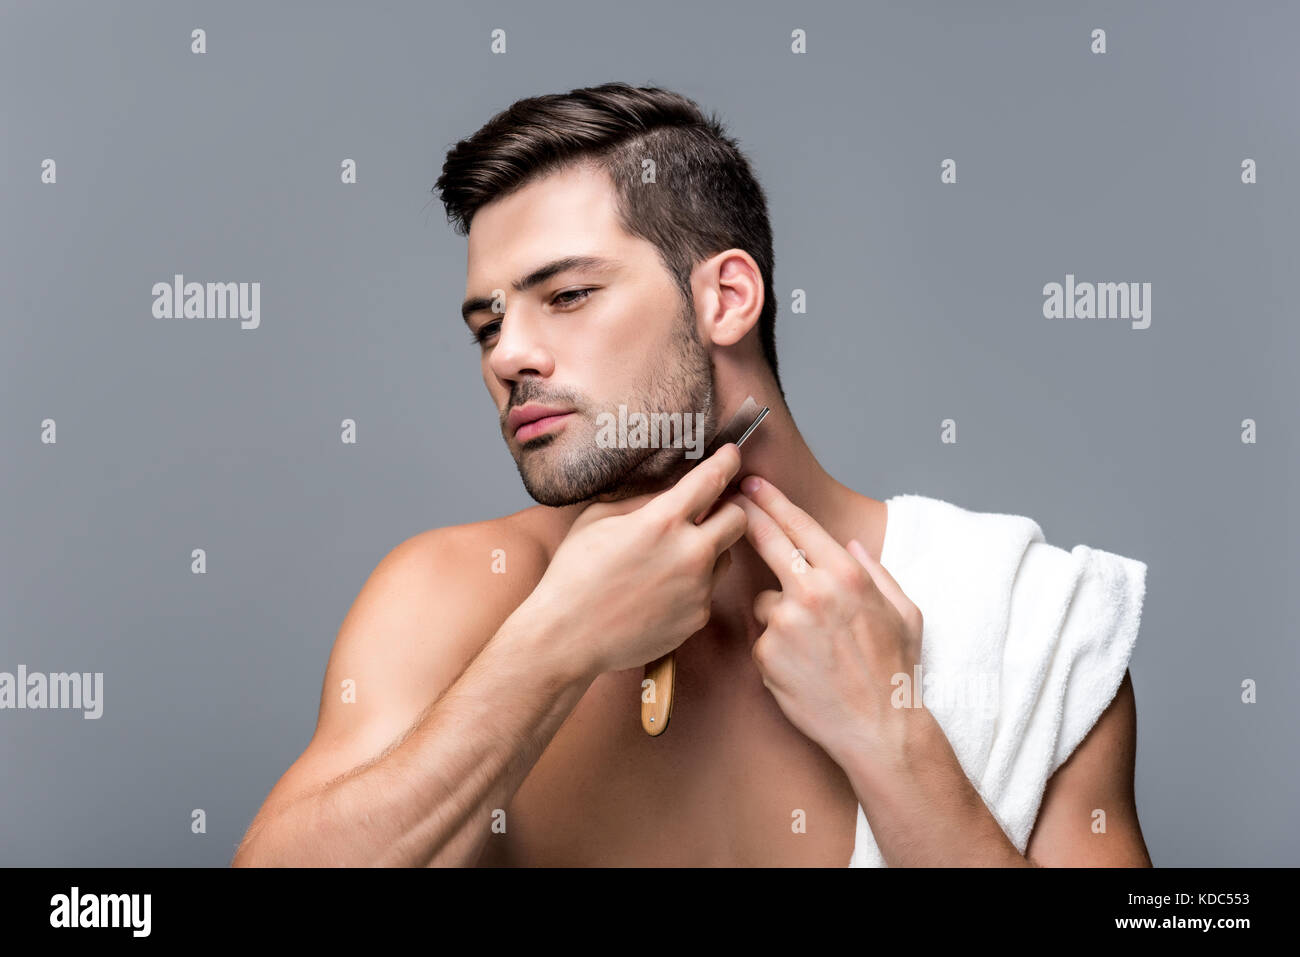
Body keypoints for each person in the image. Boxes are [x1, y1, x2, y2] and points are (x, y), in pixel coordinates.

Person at [232, 83, 1151, 867]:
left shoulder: (1028, 617)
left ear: (726, 297)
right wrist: (551, 646)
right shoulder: (456, 600)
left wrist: (898, 738)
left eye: (567, 296)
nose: (508, 354)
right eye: (487, 324)